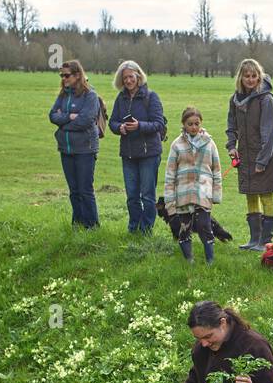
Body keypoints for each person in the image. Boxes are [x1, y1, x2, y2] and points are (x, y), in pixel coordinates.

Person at [226, 58, 273, 252]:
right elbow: (231, 125)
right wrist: (231, 146)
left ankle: (265, 241)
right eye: (247, 76)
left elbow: (271, 132)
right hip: (246, 153)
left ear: (259, 76)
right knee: (250, 194)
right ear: (240, 78)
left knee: (266, 194)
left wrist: (262, 160)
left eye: (254, 76)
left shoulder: (266, 99)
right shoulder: (235, 99)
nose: (250, 79)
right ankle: (254, 239)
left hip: (266, 154)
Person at [108, 61, 166, 234]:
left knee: (147, 196)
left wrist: (139, 125)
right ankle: (133, 228)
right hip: (128, 154)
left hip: (149, 154)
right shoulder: (121, 98)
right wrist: (120, 127)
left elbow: (158, 124)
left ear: (138, 76)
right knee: (132, 196)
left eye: (131, 76)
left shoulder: (151, 96)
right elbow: (112, 122)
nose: (128, 81)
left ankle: (146, 230)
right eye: (124, 77)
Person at [163, 107, 223, 264]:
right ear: (184, 124)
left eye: (197, 123)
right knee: (184, 227)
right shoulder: (176, 145)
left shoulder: (209, 144)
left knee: (204, 225)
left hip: (203, 193)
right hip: (183, 194)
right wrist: (169, 199)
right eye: (190, 124)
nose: (194, 127)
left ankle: (210, 260)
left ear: (201, 123)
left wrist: (216, 194)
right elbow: (170, 174)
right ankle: (189, 259)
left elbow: (216, 170)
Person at [48, 59, 102, 228]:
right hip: (66, 149)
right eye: (61, 75)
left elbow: (85, 120)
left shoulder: (90, 95)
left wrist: (63, 123)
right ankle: (77, 224)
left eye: (67, 75)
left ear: (78, 75)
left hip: (85, 149)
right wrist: (69, 117)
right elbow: (52, 115)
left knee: (85, 191)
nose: (64, 78)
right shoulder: (63, 95)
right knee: (74, 191)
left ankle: (92, 226)